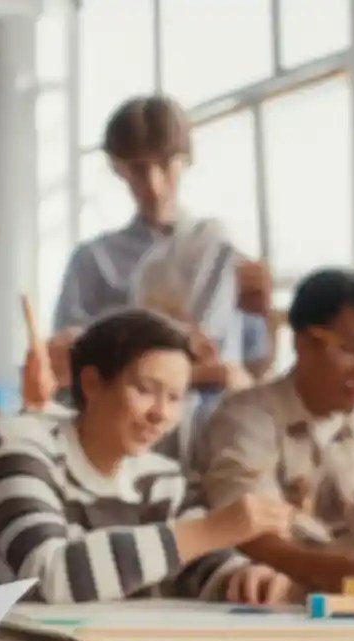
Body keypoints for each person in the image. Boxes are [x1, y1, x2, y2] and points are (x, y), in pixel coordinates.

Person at [0, 308, 293, 605]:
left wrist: (243, 577)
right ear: (92, 384)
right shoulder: (19, 443)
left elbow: (199, 564)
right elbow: (48, 575)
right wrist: (212, 529)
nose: (161, 414)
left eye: (175, 398)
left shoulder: (159, 476)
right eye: (145, 390)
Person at [43, 95, 274, 461]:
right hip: (126, 447)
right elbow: (64, 364)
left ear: (186, 160)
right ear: (119, 169)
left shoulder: (220, 251)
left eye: (165, 164)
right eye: (137, 169)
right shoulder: (95, 260)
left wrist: (263, 314)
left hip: (211, 440)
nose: (153, 183)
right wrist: (200, 371)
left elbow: (255, 366)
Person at [190, 269, 354, 594]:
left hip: (346, 604)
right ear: (303, 341)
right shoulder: (246, 418)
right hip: (260, 599)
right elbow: (248, 533)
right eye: (351, 350)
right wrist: (352, 572)